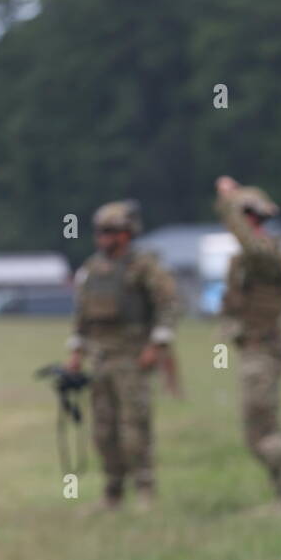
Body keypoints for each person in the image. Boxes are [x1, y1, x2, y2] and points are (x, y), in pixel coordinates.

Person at [66, 200, 178, 510]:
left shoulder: (145, 267)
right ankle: (112, 492)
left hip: (133, 357)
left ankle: (145, 489)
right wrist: (76, 351)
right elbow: (81, 315)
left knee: (135, 426)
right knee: (104, 430)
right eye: (100, 232)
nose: (104, 238)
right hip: (100, 358)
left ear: (127, 234)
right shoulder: (90, 270)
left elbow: (167, 306)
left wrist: (156, 345)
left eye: (111, 231)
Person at [214, 176, 281, 511]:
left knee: (263, 432)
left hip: (264, 351)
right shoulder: (247, 258)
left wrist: (228, 199)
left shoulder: (265, 252)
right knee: (257, 432)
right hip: (253, 350)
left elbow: (248, 242)